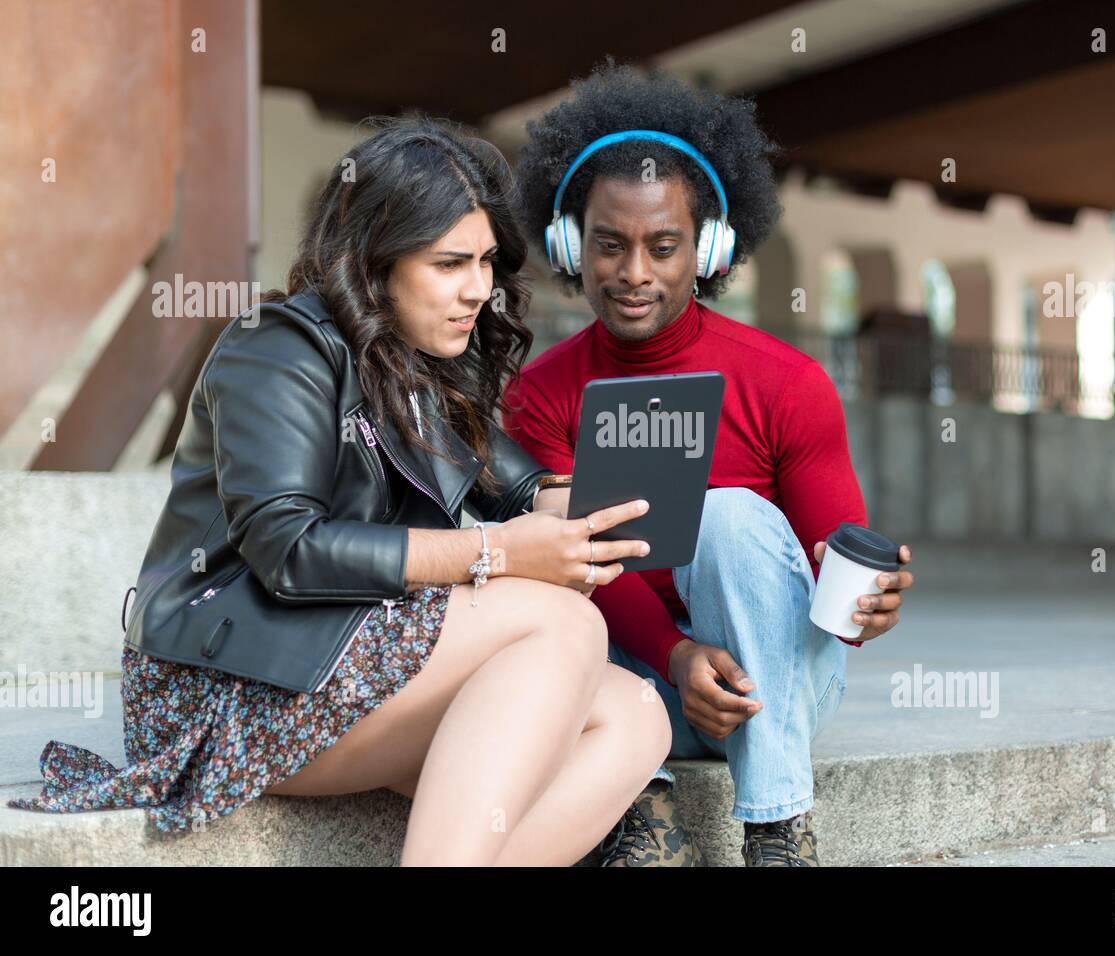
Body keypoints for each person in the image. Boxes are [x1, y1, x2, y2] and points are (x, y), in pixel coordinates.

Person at [5, 115, 671, 867]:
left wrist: (636, 500)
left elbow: (523, 497)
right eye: (450, 264)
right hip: (230, 684)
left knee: (637, 715)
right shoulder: (277, 347)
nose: (480, 290)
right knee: (564, 625)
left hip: (352, 657)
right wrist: (495, 553)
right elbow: (287, 547)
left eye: (487, 261)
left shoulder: (424, 361)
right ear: (376, 257)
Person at [504, 66, 915, 866]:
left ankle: (776, 831)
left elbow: (838, 574)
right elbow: (566, 574)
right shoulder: (538, 396)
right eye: (608, 244)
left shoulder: (787, 384)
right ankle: (641, 805)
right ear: (567, 244)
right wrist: (674, 655)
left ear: (711, 248)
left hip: (775, 683)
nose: (634, 274)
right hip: (630, 683)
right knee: (540, 566)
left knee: (725, 515)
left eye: (664, 246)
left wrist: (866, 604)